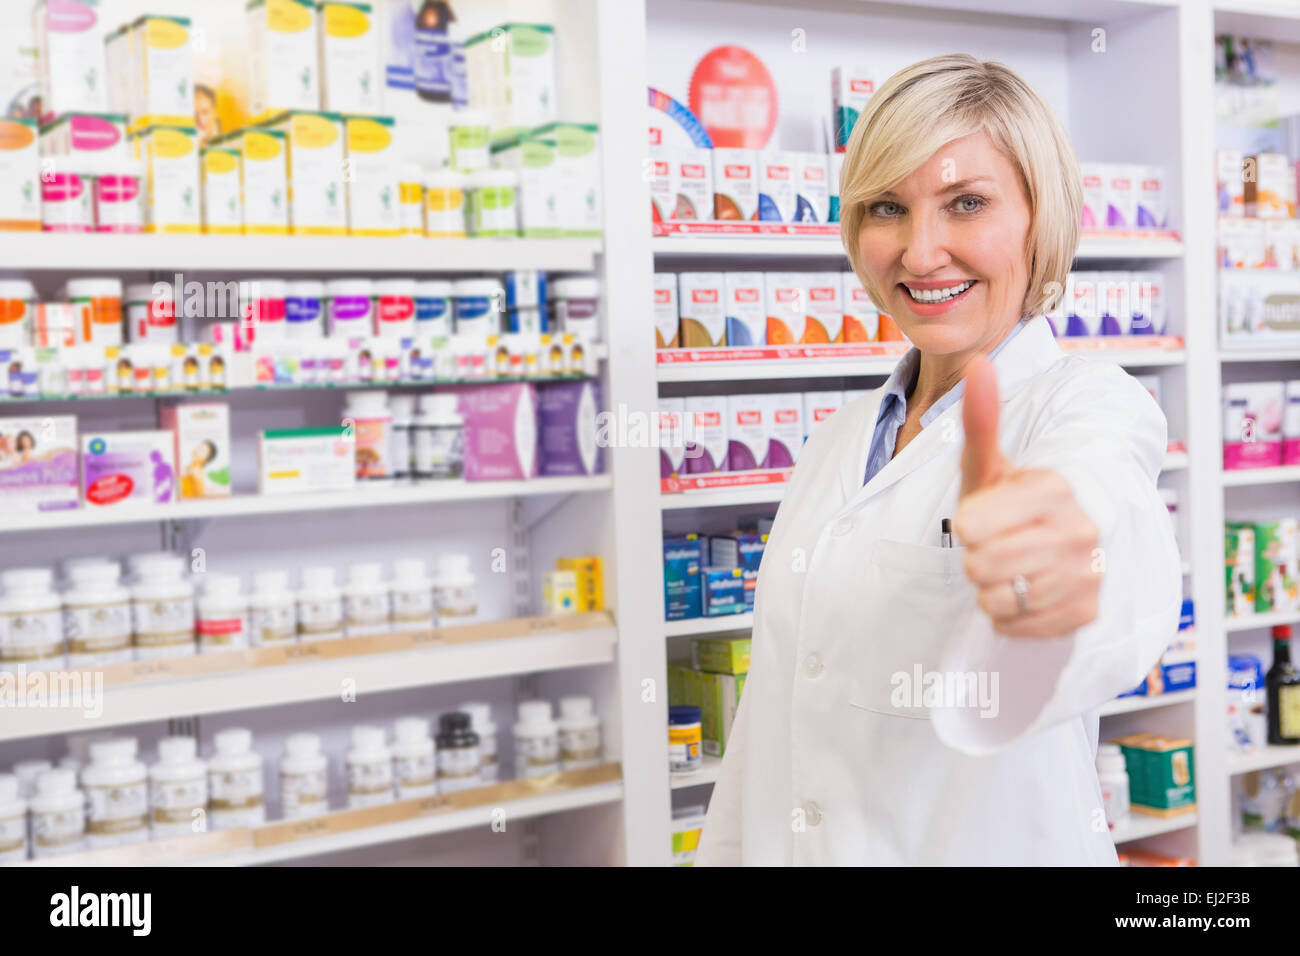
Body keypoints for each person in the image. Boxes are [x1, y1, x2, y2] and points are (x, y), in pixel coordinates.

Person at [695, 54, 1182, 866]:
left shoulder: (1087, 404)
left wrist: (1052, 562)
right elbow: (770, 724)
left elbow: (1102, 515)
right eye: (888, 206)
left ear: (1040, 217)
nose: (921, 254)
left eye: (967, 203)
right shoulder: (837, 440)